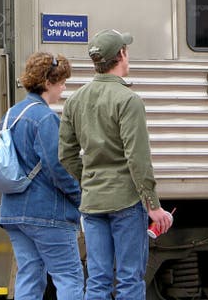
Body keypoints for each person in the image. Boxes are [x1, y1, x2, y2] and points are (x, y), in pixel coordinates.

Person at [59, 29, 172, 300]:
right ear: (121, 54)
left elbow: (65, 153)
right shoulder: (128, 100)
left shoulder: (75, 100)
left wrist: (89, 181)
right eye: (126, 50)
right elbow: (138, 158)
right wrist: (153, 205)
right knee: (129, 278)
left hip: (93, 202)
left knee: (97, 279)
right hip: (126, 202)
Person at [0, 52, 84, 300]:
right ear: (47, 83)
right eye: (61, 83)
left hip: (13, 211)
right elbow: (57, 167)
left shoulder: (11, 115)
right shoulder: (45, 118)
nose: (63, 88)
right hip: (48, 213)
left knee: (29, 274)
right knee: (68, 276)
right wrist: (80, 197)